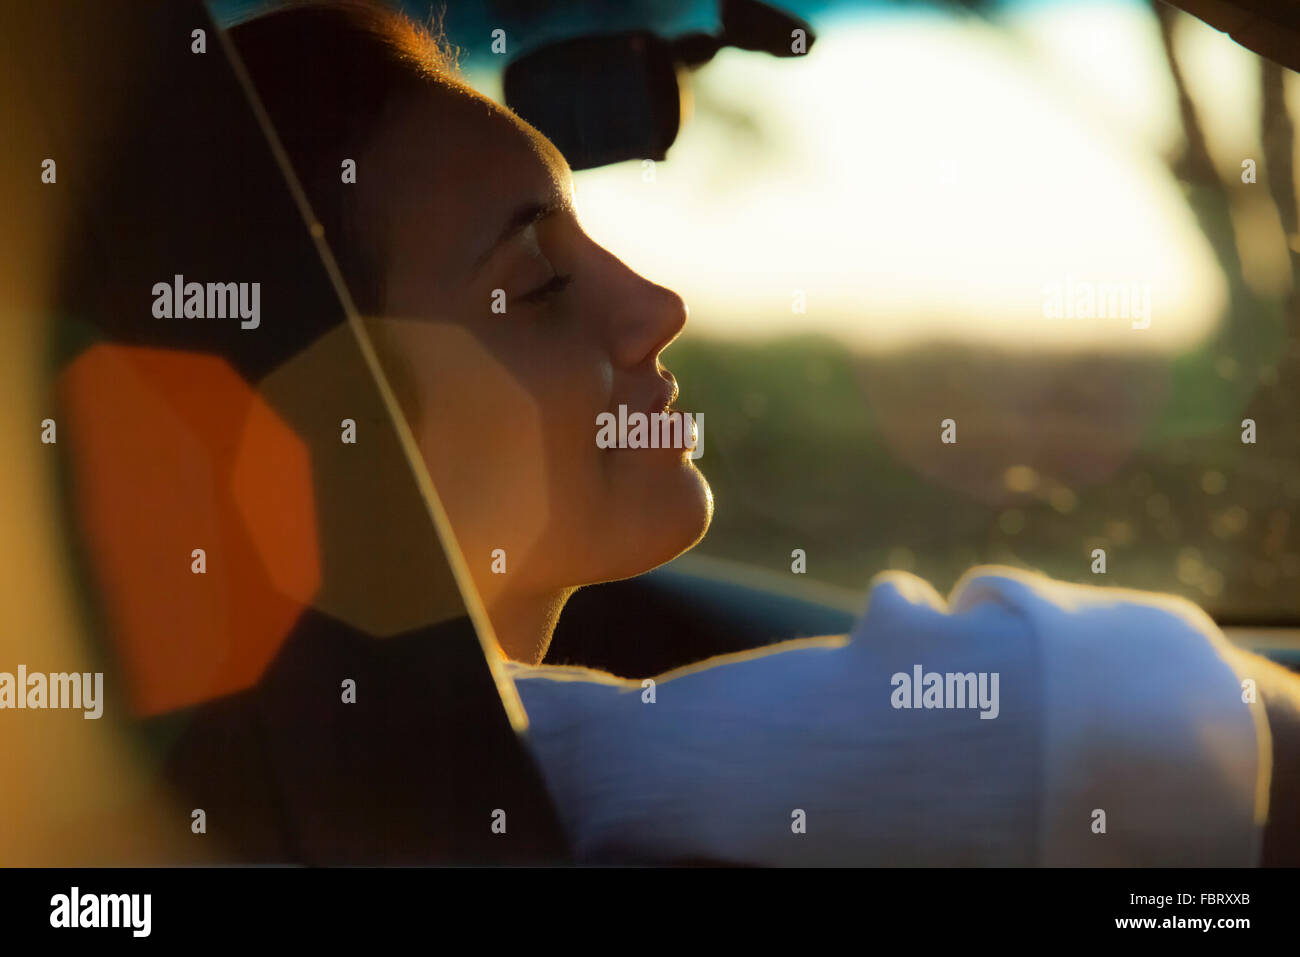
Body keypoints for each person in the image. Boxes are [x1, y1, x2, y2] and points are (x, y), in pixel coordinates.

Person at [231, 0, 1300, 865]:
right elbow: (1157, 732)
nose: (657, 306)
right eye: (541, 283)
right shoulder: (539, 776)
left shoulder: (303, 777)